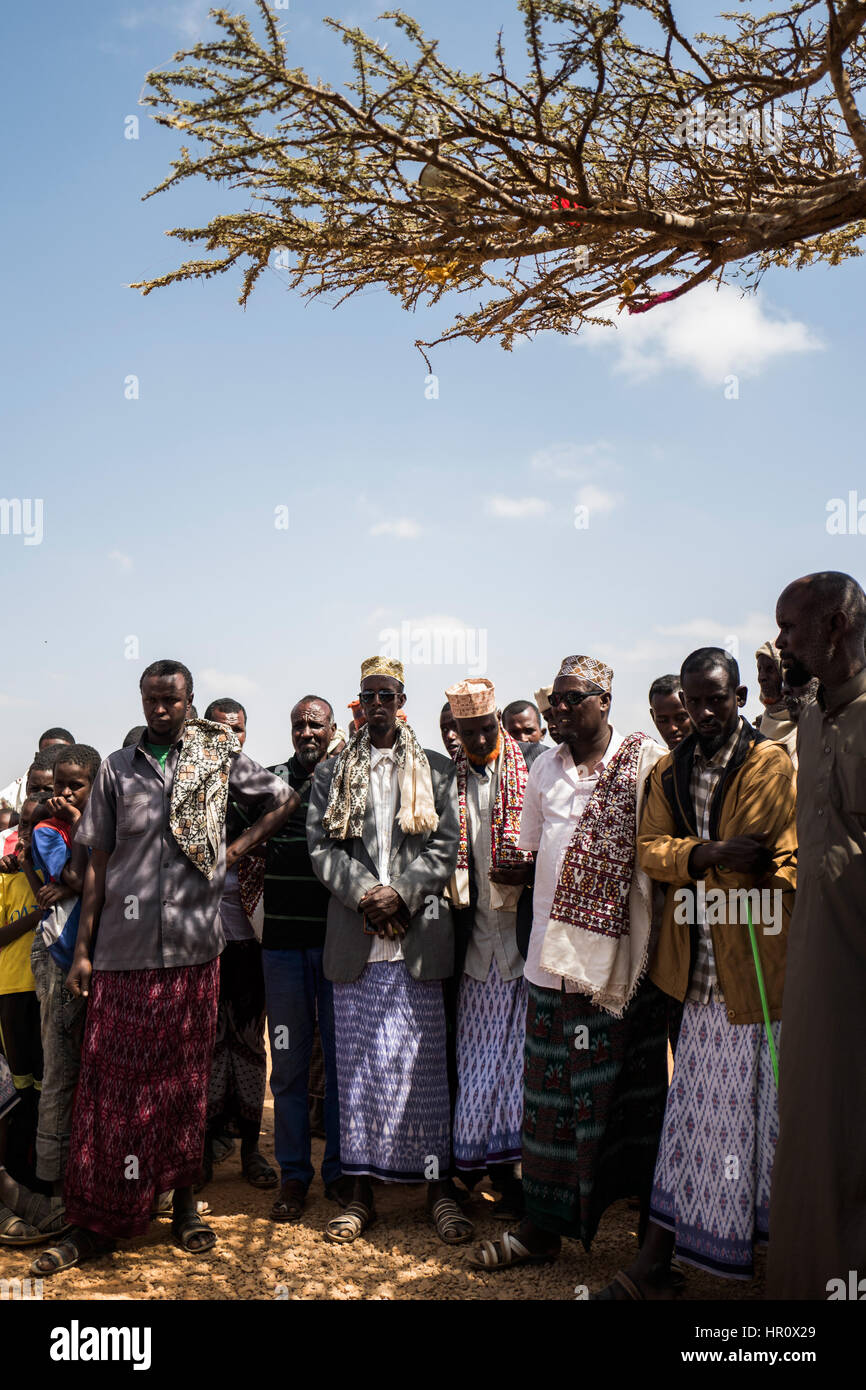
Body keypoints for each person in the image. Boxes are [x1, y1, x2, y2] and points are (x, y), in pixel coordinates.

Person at [32, 660, 295, 1277]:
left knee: (182, 1083)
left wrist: (235, 848)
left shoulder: (215, 757)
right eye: (152, 699)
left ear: (190, 701)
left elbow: (281, 799)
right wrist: (88, 951)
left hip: (193, 950)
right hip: (123, 956)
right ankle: (93, 1222)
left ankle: (183, 1206)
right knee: (111, 1089)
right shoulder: (117, 771)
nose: (161, 709)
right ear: (142, 699)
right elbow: (95, 864)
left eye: (172, 700)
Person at [595, 648, 796, 1299]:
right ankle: (658, 1263)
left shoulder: (768, 761)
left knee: (768, 1120)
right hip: (697, 978)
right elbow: (651, 850)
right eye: (694, 701)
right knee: (692, 1121)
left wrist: (705, 860)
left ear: (739, 695)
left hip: (759, 972)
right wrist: (707, 853)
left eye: (716, 698)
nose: (704, 712)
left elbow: (760, 844)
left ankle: (780, 1261)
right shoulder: (666, 771)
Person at [470, 655, 668, 1271]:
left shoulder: (644, 766)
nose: (557, 710)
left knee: (631, 1102)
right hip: (549, 965)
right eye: (554, 700)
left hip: (618, 972)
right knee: (550, 1105)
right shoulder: (541, 771)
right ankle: (542, 1228)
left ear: (604, 701)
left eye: (570, 699)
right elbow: (532, 855)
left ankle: (651, 1246)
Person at [308, 656, 464, 1246]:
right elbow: (321, 848)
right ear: (359, 703)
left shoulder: (439, 772)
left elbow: (444, 846)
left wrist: (398, 893)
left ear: (402, 700)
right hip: (357, 939)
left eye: (387, 695)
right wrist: (366, 895)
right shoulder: (331, 773)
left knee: (424, 1072)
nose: (377, 705)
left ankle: (439, 1192)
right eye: (368, 696)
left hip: (416, 937)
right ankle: (360, 1194)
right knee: (359, 1073)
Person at [768, 572, 866, 1300]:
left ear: (835, 626)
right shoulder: (810, 719)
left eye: (791, 630)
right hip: (815, 966)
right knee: (813, 1132)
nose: (780, 645)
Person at [447, 677, 533, 1220]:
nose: (479, 740)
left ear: (497, 722)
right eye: (468, 732)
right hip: (475, 948)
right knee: (477, 1064)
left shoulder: (535, 770)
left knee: (520, 1071)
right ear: (456, 731)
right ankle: (469, 1170)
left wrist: (527, 867)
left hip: (527, 950)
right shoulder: (445, 783)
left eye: (486, 729)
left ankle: (516, 1177)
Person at [259, 695, 347, 1223]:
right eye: (299, 726)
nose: (306, 733)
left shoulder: (349, 779)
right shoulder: (268, 780)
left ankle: (339, 1172)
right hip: (282, 947)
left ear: (331, 728)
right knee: (288, 1070)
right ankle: (294, 1176)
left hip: (337, 945)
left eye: (315, 725)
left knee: (339, 1066)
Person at [198, 699, 277, 1192]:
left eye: (238, 730)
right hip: (199, 949)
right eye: (220, 729)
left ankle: (250, 1151)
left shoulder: (258, 793)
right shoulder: (189, 792)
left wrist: (242, 847)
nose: (230, 737)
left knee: (249, 1048)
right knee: (203, 1050)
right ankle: (202, 1155)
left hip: (249, 946)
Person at [0, 794, 47, 1219]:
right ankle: (22, 1175)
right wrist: (36, 916)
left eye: (40, 824)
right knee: (21, 1093)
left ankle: (45, 1178)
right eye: (25, 826)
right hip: (13, 994)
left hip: (49, 994)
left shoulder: (55, 874)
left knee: (47, 1088)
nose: (30, 834)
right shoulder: (6, 880)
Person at [0, 729, 74, 815]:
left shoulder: (82, 800)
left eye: (63, 757)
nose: (56, 762)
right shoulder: (7, 798)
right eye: (48, 753)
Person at [648, 674, 692, 751]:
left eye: (681, 718)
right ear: (653, 716)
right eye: (663, 721)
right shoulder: (655, 762)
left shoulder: (716, 759)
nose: (672, 728)